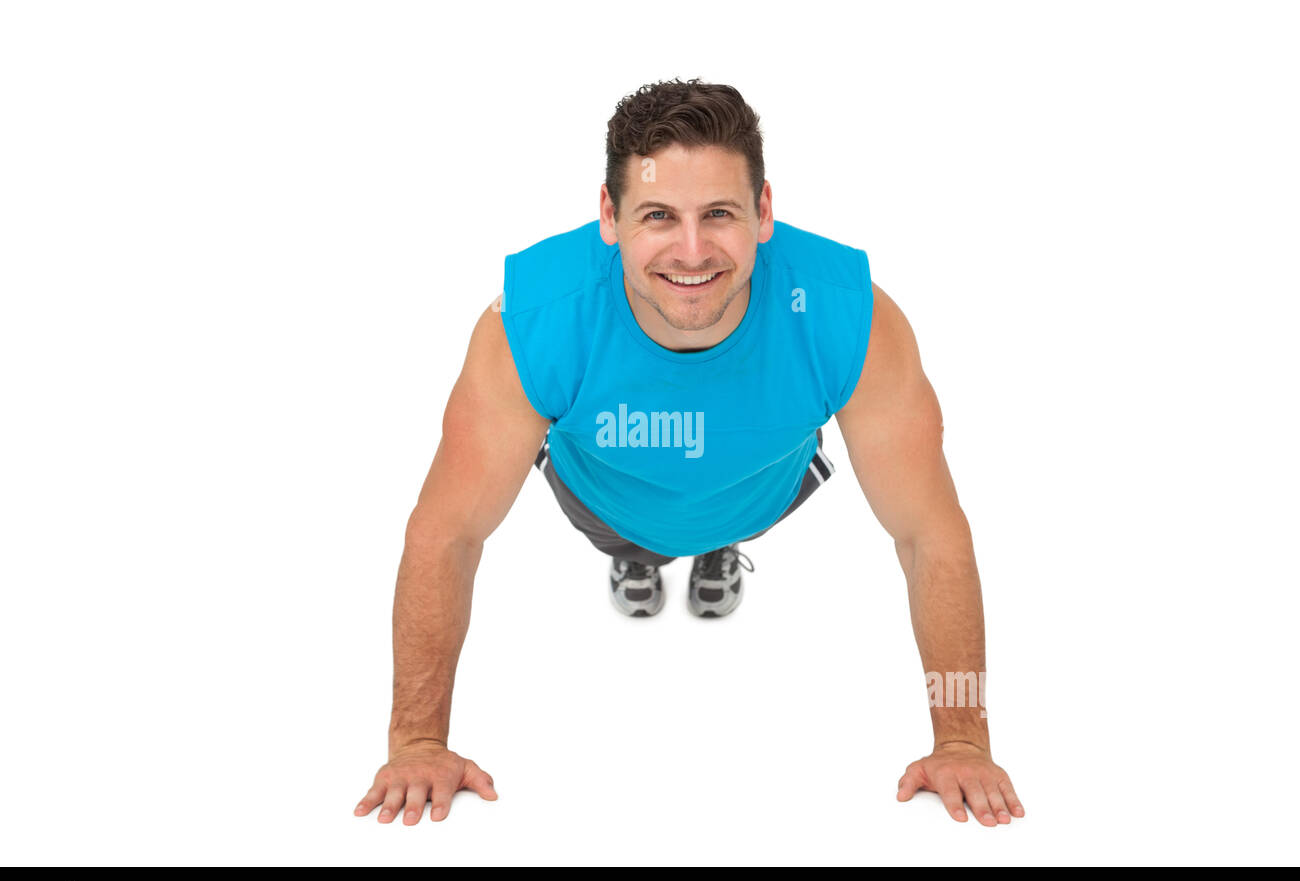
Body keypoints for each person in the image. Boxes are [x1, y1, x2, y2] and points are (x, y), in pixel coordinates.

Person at [355, 78, 1025, 829]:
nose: (693, 250)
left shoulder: (848, 314)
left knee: (723, 515)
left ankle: (717, 550)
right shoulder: (534, 320)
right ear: (608, 217)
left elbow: (929, 532)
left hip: (758, 490)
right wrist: (415, 740)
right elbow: (447, 532)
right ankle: (638, 557)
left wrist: (964, 739)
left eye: (719, 214)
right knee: (633, 541)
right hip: (603, 498)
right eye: (658, 217)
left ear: (764, 212)